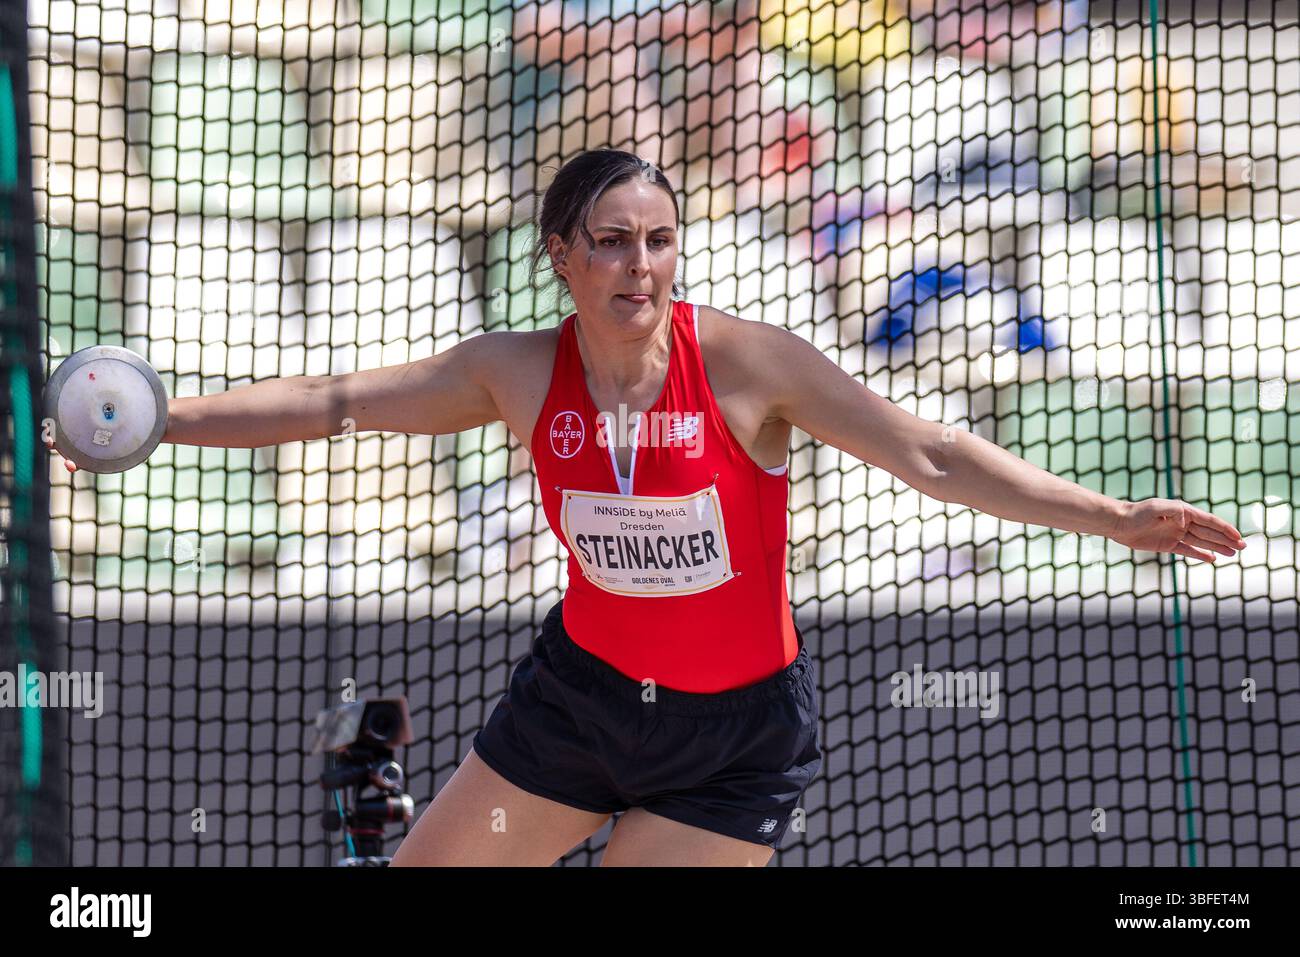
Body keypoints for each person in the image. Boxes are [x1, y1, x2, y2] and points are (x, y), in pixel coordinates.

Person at [46, 148, 1248, 867]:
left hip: (732, 742)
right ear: (560, 255)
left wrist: (1112, 517)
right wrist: (166, 416)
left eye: (661, 241)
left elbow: (930, 454)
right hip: (576, 711)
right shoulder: (511, 372)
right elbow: (333, 400)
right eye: (613, 243)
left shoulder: (749, 364)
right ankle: (378, 824)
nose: (642, 266)